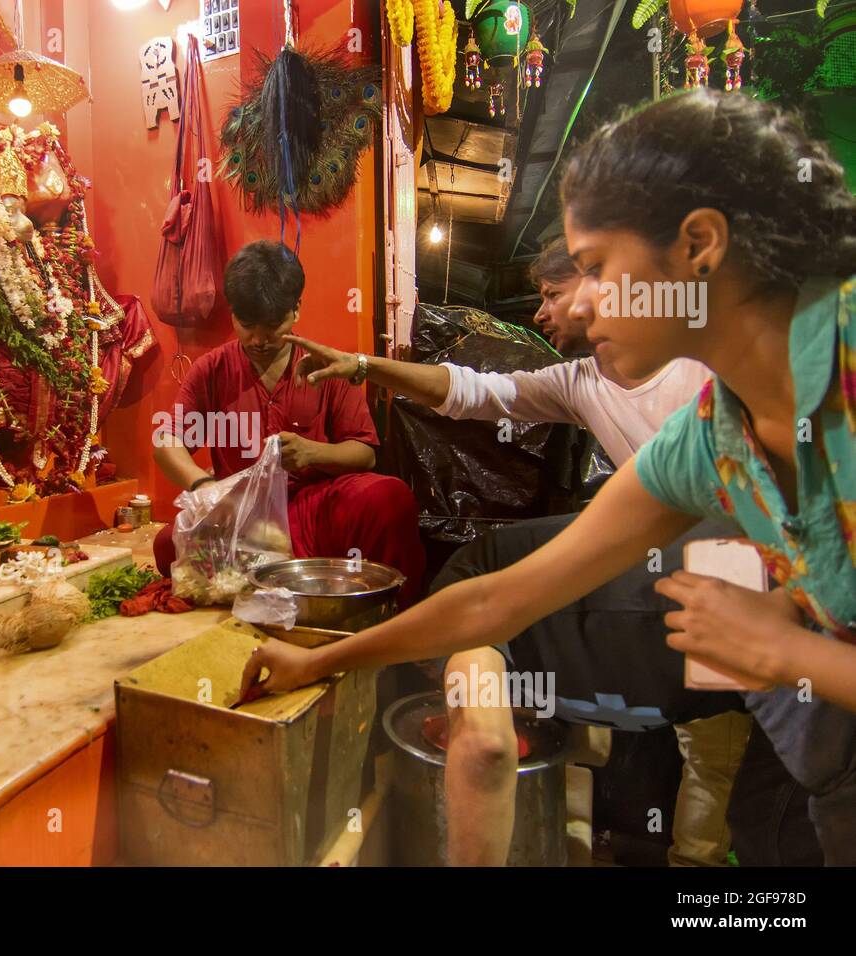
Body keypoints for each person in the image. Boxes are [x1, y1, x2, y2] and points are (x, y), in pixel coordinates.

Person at [241, 89, 856, 864]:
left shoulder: (841, 357)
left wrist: (791, 655)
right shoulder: (711, 437)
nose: (575, 306)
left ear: (698, 243)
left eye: (594, 267)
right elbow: (502, 598)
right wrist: (319, 660)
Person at [286, 239, 747, 866]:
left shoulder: (707, 365)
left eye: (552, 295)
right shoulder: (579, 383)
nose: (540, 313)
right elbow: (472, 391)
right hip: (671, 588)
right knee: (695, 734)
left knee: (724, 757)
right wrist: (365, 366)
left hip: (750, 579)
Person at [151, 240, 426, 605]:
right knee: (167, 543)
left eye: (273, 325)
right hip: (242, 516)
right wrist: (204, 486)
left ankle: (397, 618)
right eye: (247, 325)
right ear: (232, 314)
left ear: (296, 309)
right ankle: (284, 576)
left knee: (388, 498)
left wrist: (314, 453)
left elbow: (365, 455)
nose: (260, 339)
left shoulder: (329, 366)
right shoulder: (211, 371)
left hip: (314, 511)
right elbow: (166, 440)